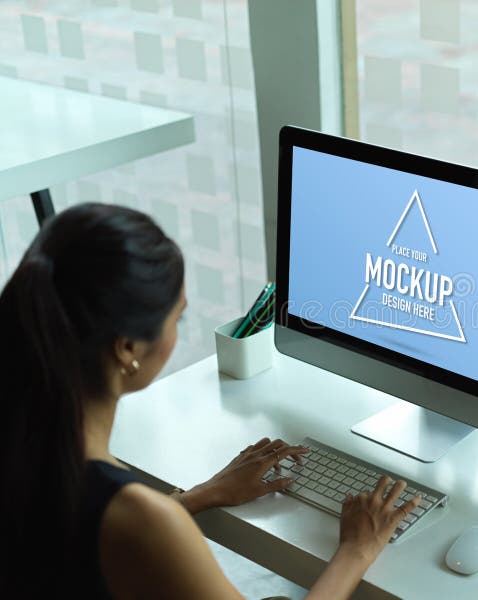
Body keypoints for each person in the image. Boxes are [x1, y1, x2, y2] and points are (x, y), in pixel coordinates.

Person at [0, 203, 420, 599]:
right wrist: (356, 549)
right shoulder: (138, 518)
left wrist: (200, 495)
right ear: (127, 348)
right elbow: (128, 529)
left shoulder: (30, 450)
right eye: (177, 317)